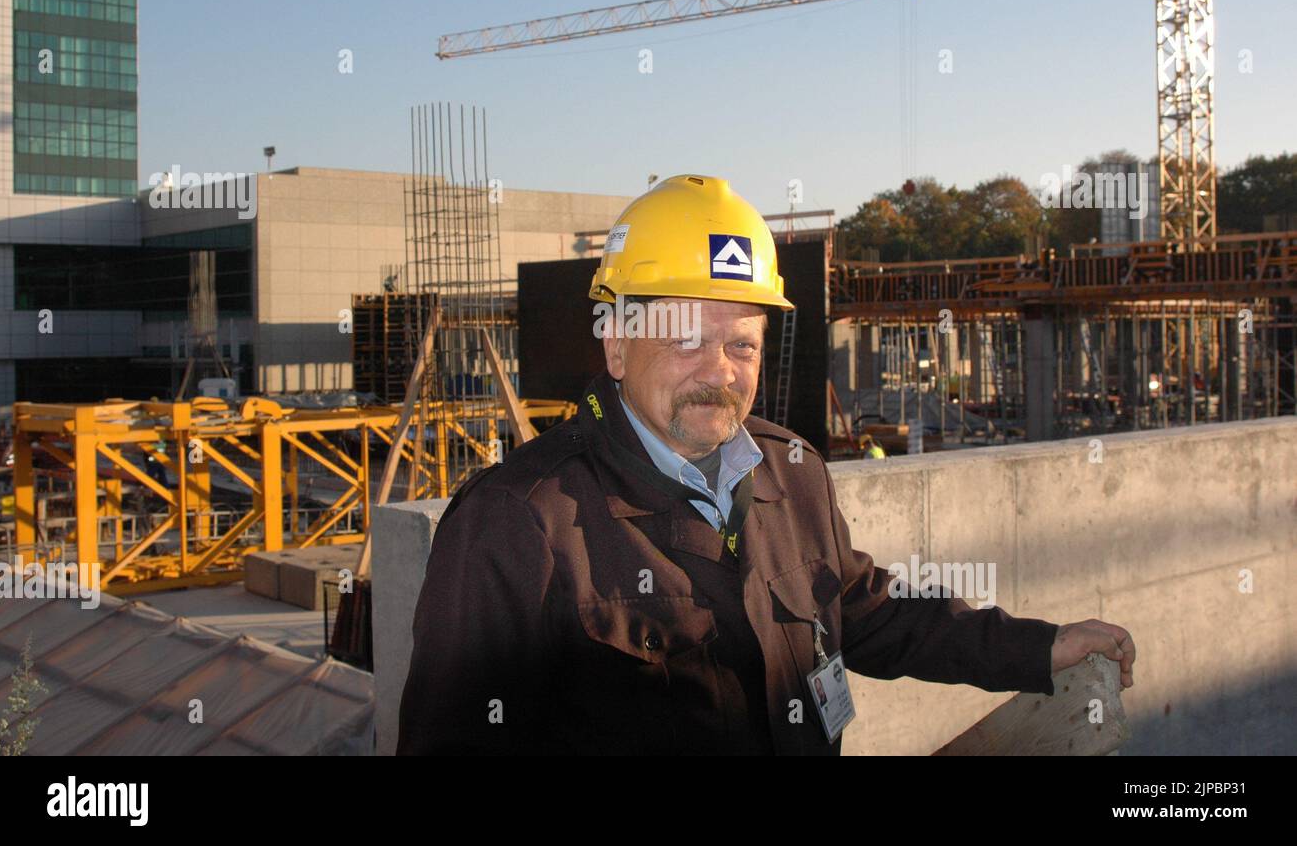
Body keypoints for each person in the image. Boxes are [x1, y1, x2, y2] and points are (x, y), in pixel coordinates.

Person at [397, 174, 1136, 755]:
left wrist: (1036, 649)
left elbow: (861, 610)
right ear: (617, 343)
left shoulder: (791, 471)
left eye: (742, 343)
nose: (718, 371)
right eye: (687, 338)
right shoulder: (519, 522)